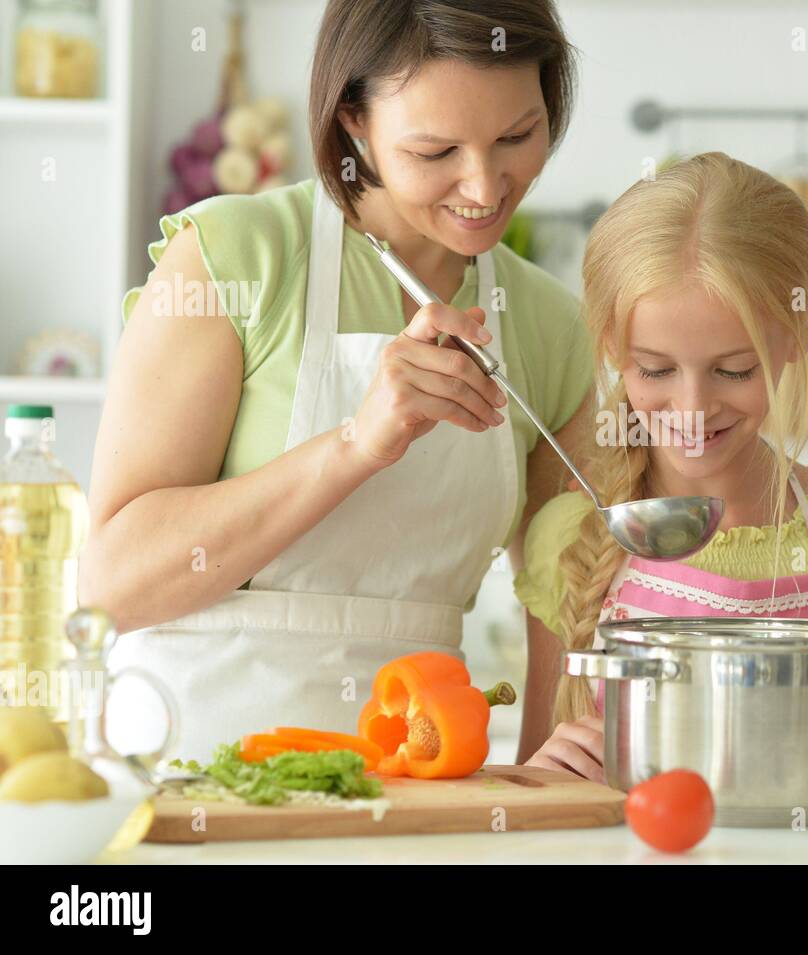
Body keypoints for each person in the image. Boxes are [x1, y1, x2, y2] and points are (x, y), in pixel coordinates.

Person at [81, 0, 592, 760]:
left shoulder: (549, 324)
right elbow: (110, 586)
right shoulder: (233, 259)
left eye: (517, 135)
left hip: (422, 796)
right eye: (435, 151)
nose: (485, 185)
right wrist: (355, 445)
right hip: (190, 779)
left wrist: (544, 773)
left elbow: (565, 594)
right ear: (353, 118)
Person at [514, 153, 808, 780]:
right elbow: (528, 784)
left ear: (800, 328)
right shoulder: (569, 537)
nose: (692, 408)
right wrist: (543, 778)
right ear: (608, 344)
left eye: (734, 370)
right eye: (654, 369)